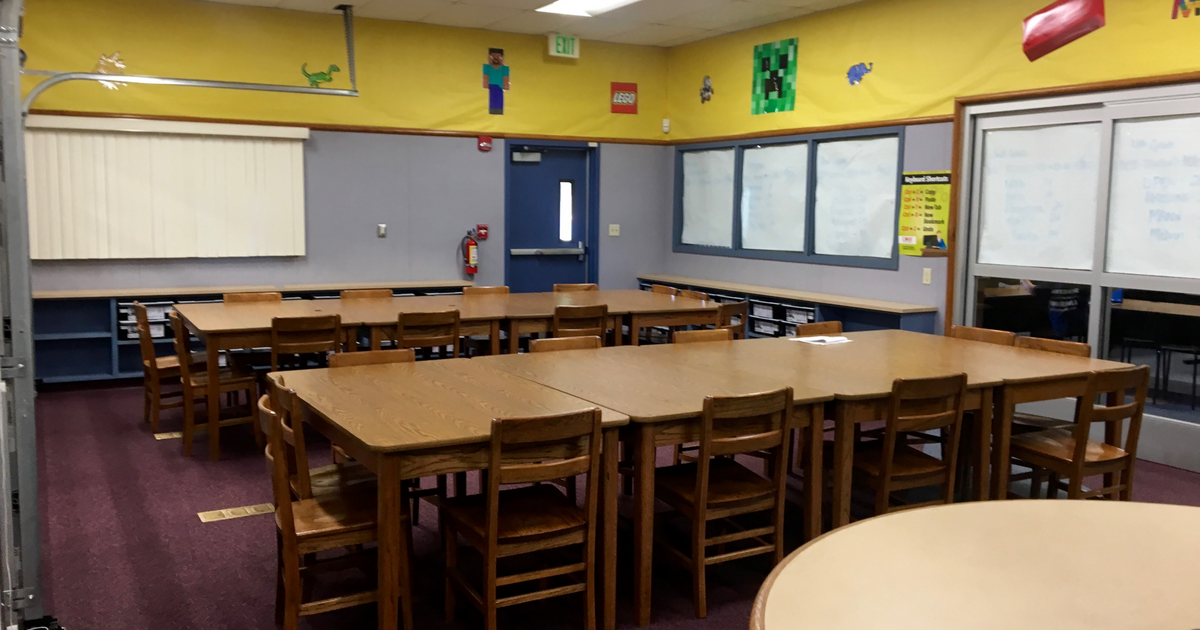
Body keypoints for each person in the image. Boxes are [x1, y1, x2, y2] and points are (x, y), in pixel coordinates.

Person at [482, 48, 510, 115]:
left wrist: (506, 86)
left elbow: (506, 77)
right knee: (492, 98)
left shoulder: (504, 68)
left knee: (499, 98)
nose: (496, 59)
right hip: (491, 85)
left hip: (499, 86)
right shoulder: (487, 67)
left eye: (498, 57)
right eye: (493, 57)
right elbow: (485, 76)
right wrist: (486, 84)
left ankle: (498, 110)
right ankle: (493, 110)